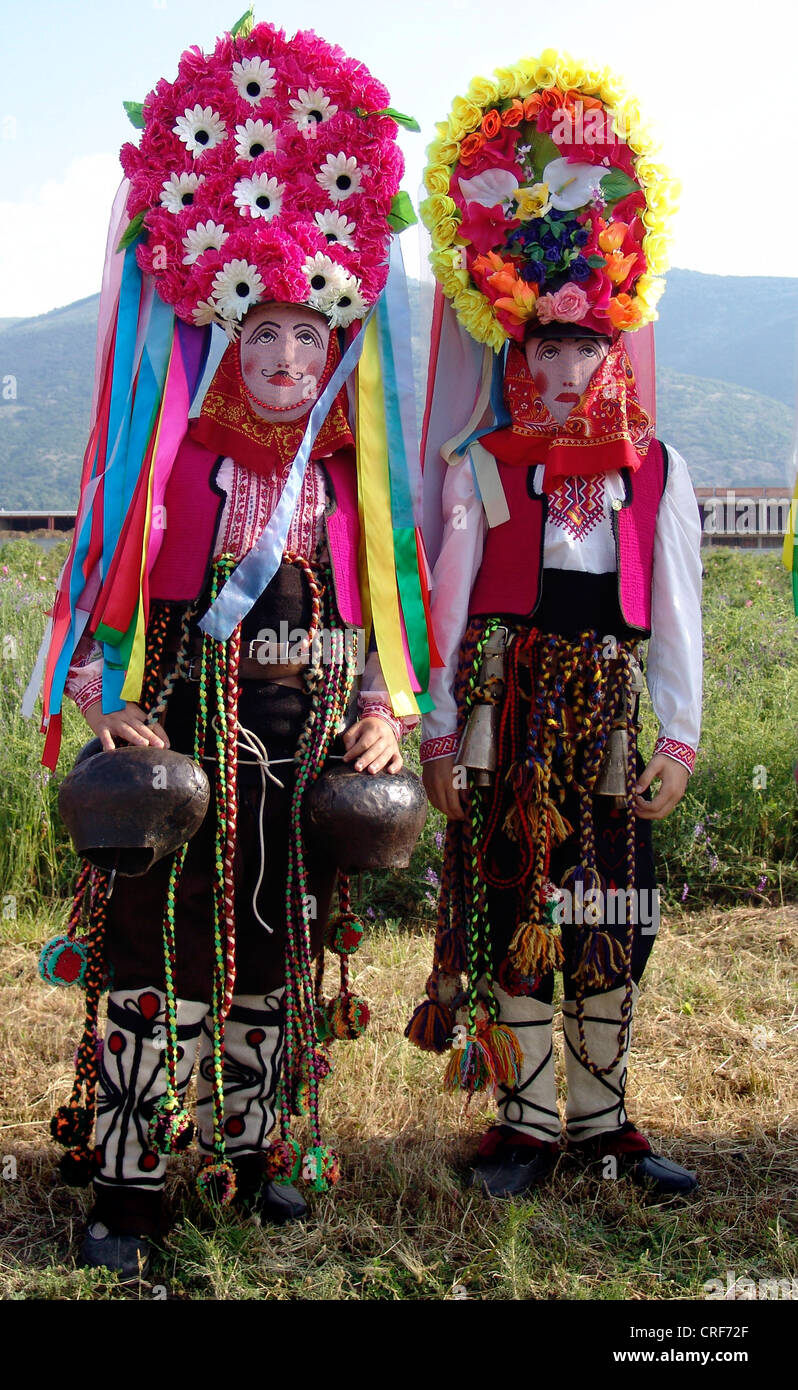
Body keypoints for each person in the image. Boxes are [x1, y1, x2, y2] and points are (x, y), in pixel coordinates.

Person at [23, 16, 432, 1274]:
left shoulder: (348, 480)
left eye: (310, 340)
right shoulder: (174, 461)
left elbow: (377, 610)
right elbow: (110, 584)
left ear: (332, 355)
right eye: (265, 335)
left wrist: (381, 704)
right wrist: (105, 698)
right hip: (191, 744)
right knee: (158, 944)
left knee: (275, 941)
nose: (287, 357)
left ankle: (252, 1155)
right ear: (225, 338)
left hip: (297, 752)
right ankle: (133, 1183)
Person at [407, 52, 703, 1199]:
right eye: (547, 347)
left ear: (614, 347)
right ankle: (527, 1125)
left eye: (587, 346)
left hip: (607, 712)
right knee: (513, 898)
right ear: (516, 353)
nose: (570, 367)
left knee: (611, 906)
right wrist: (438, 730)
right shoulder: (478, 464)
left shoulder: (654, 467)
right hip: (509, 707)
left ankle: (605, 1119)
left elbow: (673, 608)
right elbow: (446, 610)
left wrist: (674, 735)